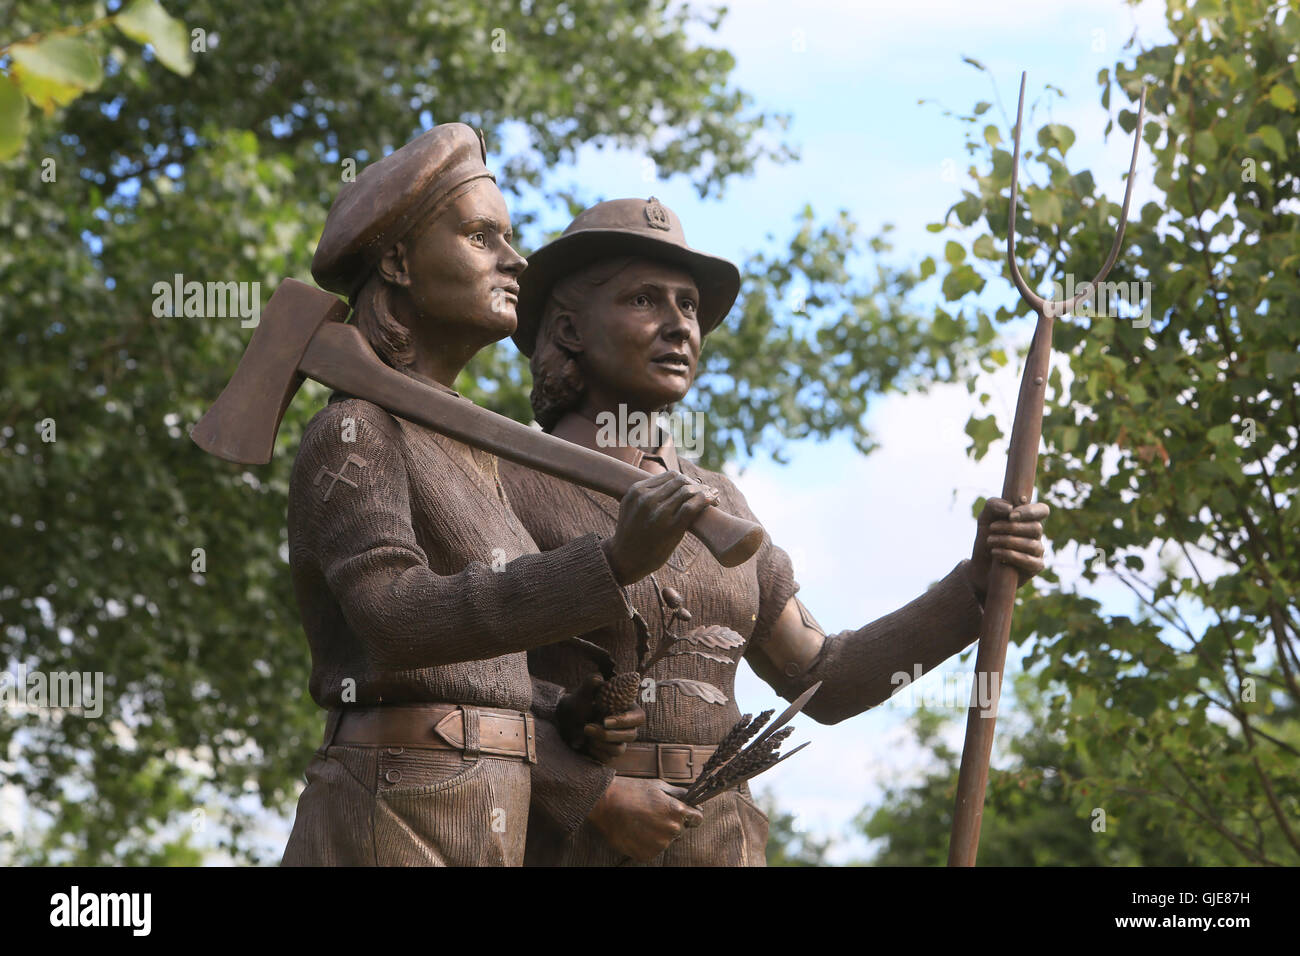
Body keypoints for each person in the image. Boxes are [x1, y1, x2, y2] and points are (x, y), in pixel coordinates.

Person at [500, 197, 1050, 865]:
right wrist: (594, 792)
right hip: (570, 845)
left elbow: (825, 678)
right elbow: (453, 687)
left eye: (690, 307)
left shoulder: (722, 504)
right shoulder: (506, 480)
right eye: (644, 300)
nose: (680, 325)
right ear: (570, 329)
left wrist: (972, 589)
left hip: (725, 842)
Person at [280, 136, 712, 866]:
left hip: (486, 812)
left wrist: (556, 710)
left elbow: (480, 665)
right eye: (483, 237)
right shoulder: (354, 430)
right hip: (393, 804)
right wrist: (607, 564)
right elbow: (394, 619)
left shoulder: (474, 450)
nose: (514, 261)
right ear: (397, 262)